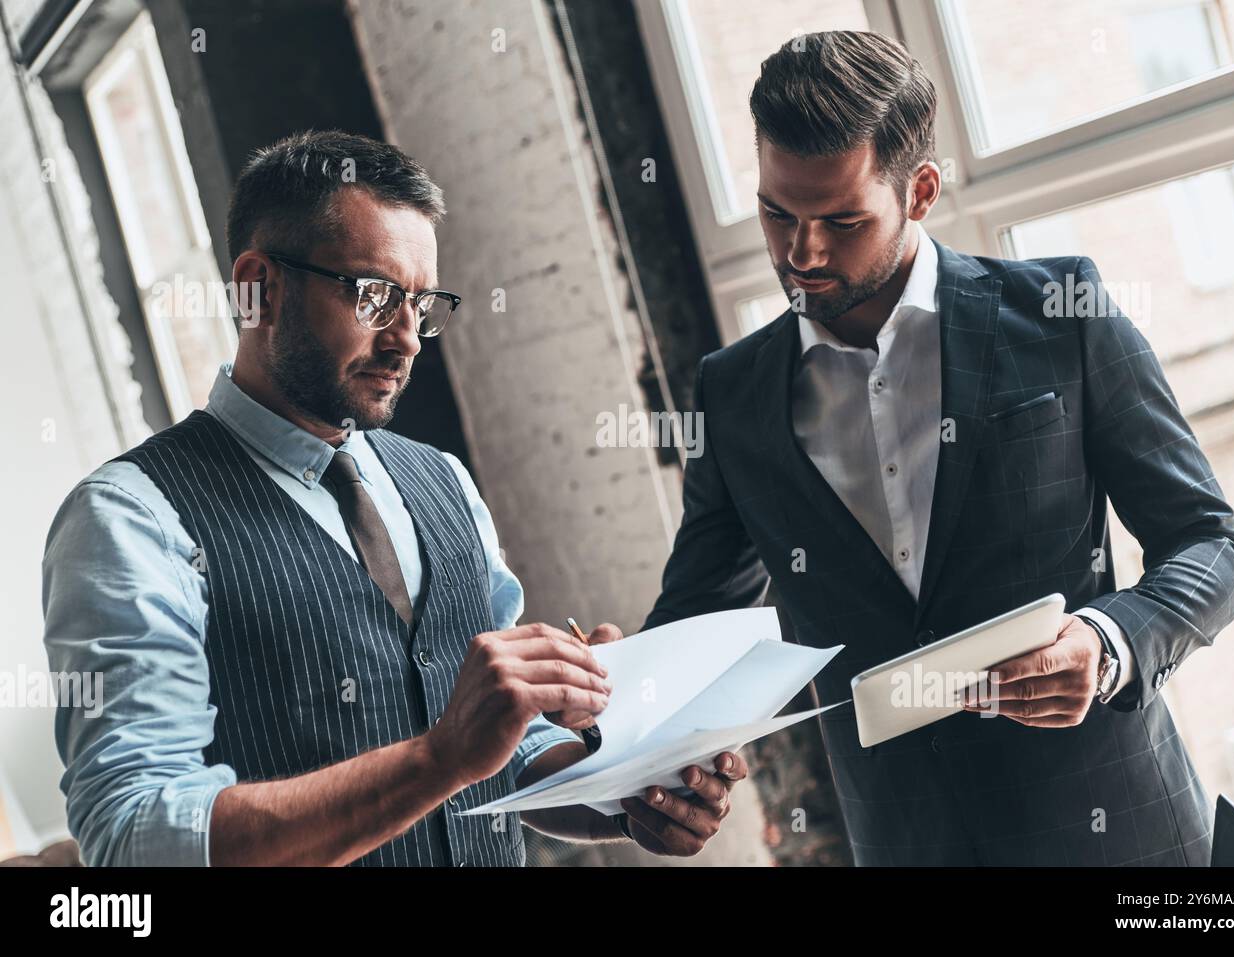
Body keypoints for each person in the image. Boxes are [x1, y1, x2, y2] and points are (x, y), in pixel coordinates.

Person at [43, 130, 745, 866]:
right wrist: (439, 757)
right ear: (260, 286)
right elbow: (134, 836)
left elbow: (511, 750)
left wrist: (628, 793)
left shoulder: (443, 480)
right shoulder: (129, 518)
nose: (407, 339)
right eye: (375, 295)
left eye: (422, 303)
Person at [640, 31, 1234, 866]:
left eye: (841, 220)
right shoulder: (733, 394)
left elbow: (1213, 545)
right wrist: (626, 722)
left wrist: (1108, 644)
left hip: (1123, 842)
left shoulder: (1060, 314)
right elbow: (692, 630)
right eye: (777, 213)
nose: (800, 254)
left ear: (920, 190)